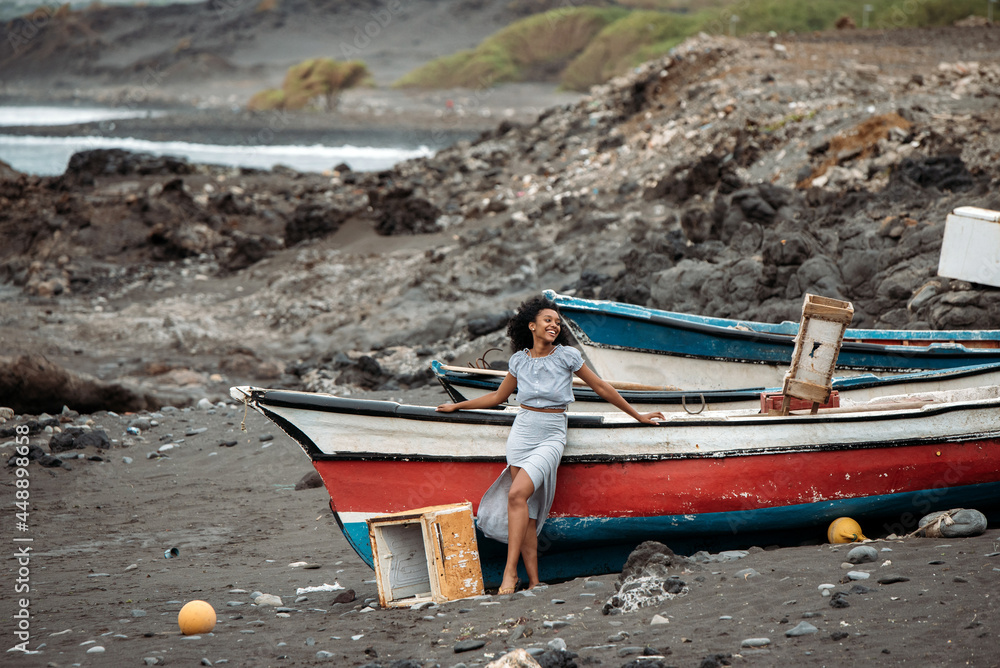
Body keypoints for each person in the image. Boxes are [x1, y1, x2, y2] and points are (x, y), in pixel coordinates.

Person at [436, 296, 664, 595]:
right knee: (525, 509)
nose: (554, 325)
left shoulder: (567, 356)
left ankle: (509, 574)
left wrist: (638, 415)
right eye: (547, 320)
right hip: (522, 433)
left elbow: (600, 386)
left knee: (517, 494)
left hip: (552, 434)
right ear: (532, 326)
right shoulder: (518, 360)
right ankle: (533, 581)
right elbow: (497, 398)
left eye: (557, 322)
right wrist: (458, 406)